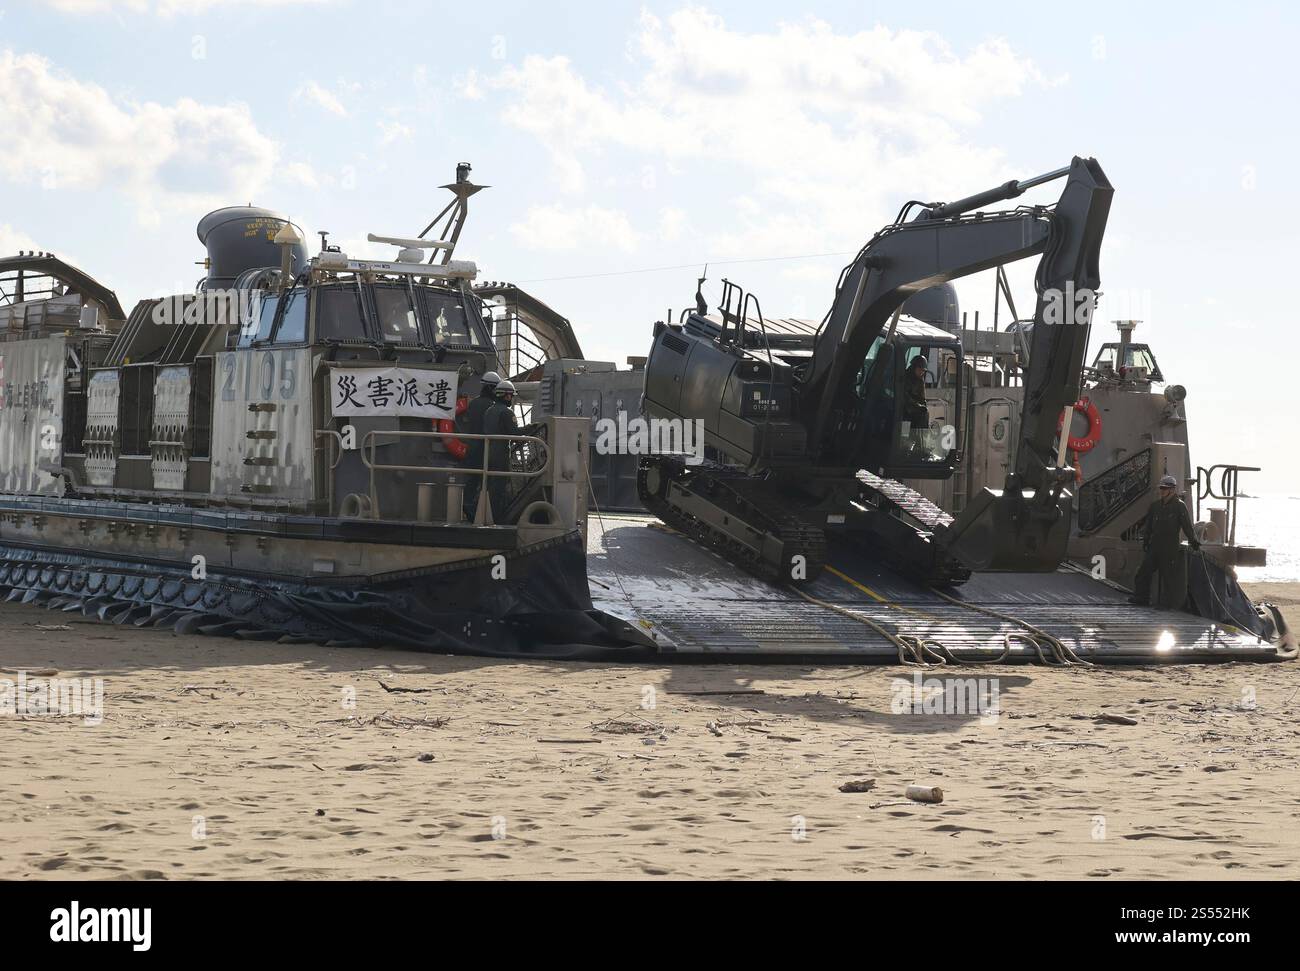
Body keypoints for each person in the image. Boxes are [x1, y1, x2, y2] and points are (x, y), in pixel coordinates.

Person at [1128, 474, 1202, 608]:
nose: (1161, 490)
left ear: (1172, 490)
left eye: (1164, 488)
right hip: (1154, 546)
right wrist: (1146, 541)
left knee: (1168, 577)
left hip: (1169, 548)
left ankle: (1166, 604)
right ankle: (1141, 598)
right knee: (1143, 572)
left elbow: (1187, 526)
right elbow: (1149, 526)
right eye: (1161, 488)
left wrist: (1194, 541)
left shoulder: (1180, 506)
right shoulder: (1155, 506)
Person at [461, 371, 500, 520]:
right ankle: (481, 512)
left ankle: (468, 507)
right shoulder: (492, 406)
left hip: (472, 446)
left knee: (473, 479)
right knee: (488, 481)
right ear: (492, 388)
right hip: (486, 447)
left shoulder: (473, 403)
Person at [482, 379, 520, 523]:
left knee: (490, 484)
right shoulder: (506, 412)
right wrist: (530, 428)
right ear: (505, 395)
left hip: (488, 452)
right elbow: (514, 433)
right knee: (499, 487)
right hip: (500, 453)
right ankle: (497, 519)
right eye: (510, 395)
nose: (511, 398)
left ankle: (486, 515)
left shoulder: (489, 411)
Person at [903, 355, 930, 451]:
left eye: (923, 370)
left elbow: (922, 397)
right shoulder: (904, 378)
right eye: (920, 369)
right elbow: (904, 396)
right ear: (914, 367)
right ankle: (904, 443)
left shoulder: (920, 380)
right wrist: (917, 405)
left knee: (924, 413)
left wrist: (923, 406)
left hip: (913, 409)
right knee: (905, 421)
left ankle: (921, 444)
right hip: (904, 409)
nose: (922, 372)